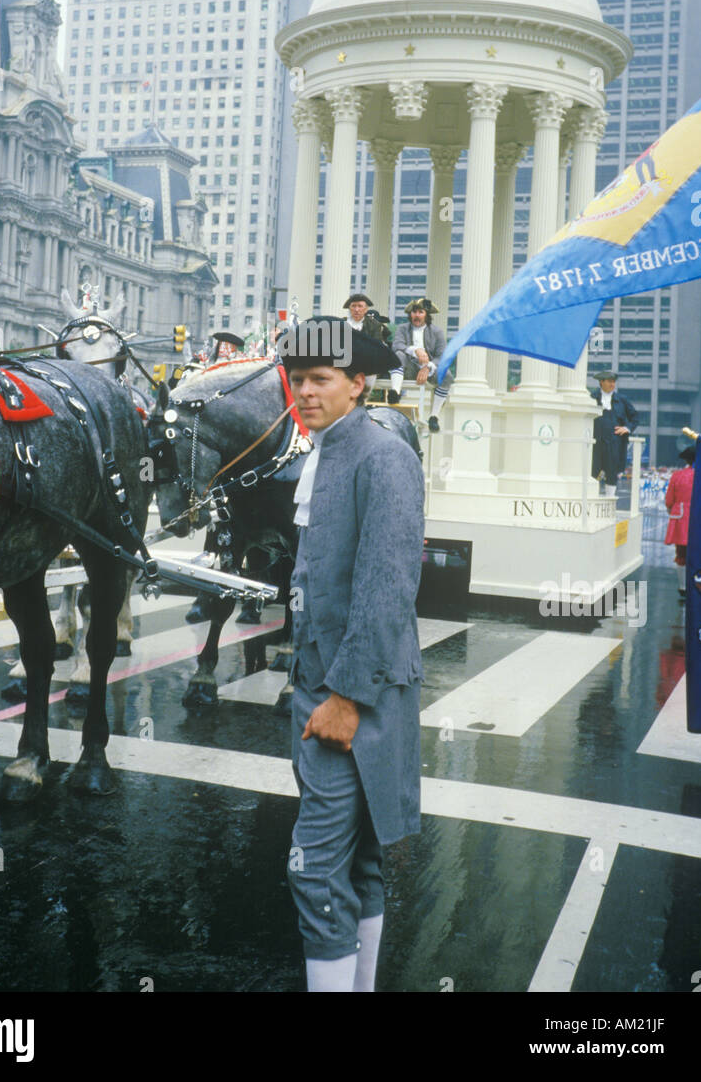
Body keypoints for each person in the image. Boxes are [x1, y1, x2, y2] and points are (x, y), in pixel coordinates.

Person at [278, 317, 425, 993]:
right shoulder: (326, 447)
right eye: (296, 379)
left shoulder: (380, 454)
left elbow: (387, 586)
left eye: (319, 380)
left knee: (314, 869)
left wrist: (343, 699)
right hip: (320, 685)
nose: (304, 392)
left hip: (347, 696)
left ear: (357, 383)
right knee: (359, 863)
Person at [389, 297, 452, 433]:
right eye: (414, 312)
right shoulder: (402, 328)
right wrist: (415, 350)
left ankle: (434, 416)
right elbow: (397, 345)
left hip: (429, 370)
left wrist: (427, 367)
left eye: (420, 312)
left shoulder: (437, 332)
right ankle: (395, 392)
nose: (416, 315)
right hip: (408, 367)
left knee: (446, 375)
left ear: (427, 315)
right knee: (399, 355)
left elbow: (441, 356)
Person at [590, 371, 638, 496]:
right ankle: (590, 500)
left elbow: (635, 418)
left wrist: (627, 428)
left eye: (614, 382)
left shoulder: (622, 400)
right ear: (601, 382)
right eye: (609, 381)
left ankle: (610, 501)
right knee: (592, 471)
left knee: (612, 473)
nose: (612, 384)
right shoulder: (592, 397)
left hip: (615, 444)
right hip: (596, 443)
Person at [665, 442, 695, 596]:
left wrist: (672, 509)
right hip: (699, 520)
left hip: (681, 517)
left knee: (681, 553)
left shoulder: (677, 476)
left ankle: (682, 586)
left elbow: (669, 500)